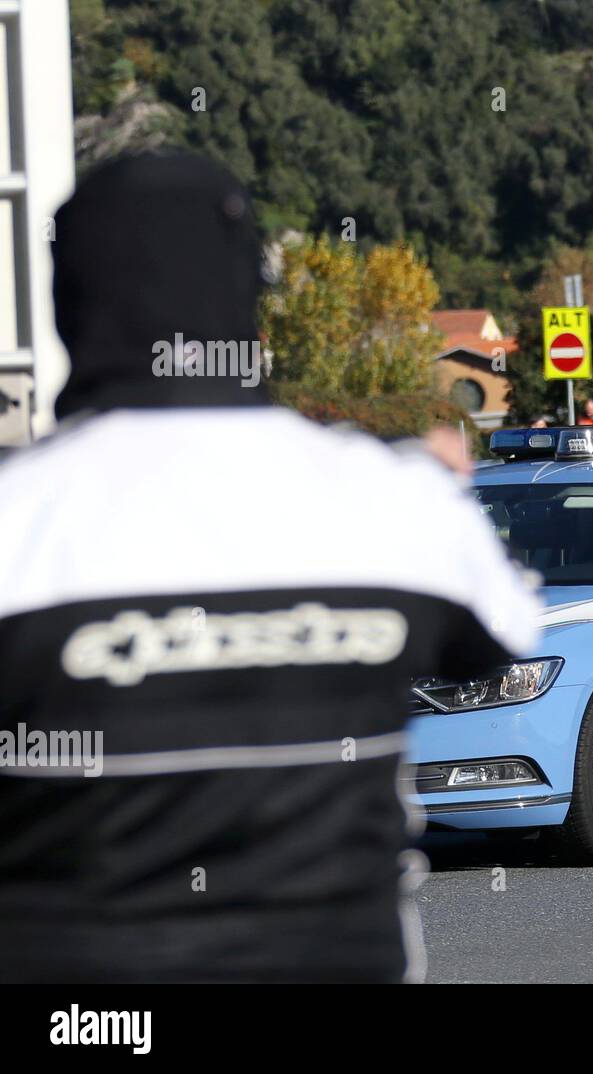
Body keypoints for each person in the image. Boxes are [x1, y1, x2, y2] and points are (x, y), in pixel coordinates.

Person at [0, 152, 540, 982]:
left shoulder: (20, 520)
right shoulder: (394, 505)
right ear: (250, 307)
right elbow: (502, 633)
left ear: (69, 308)